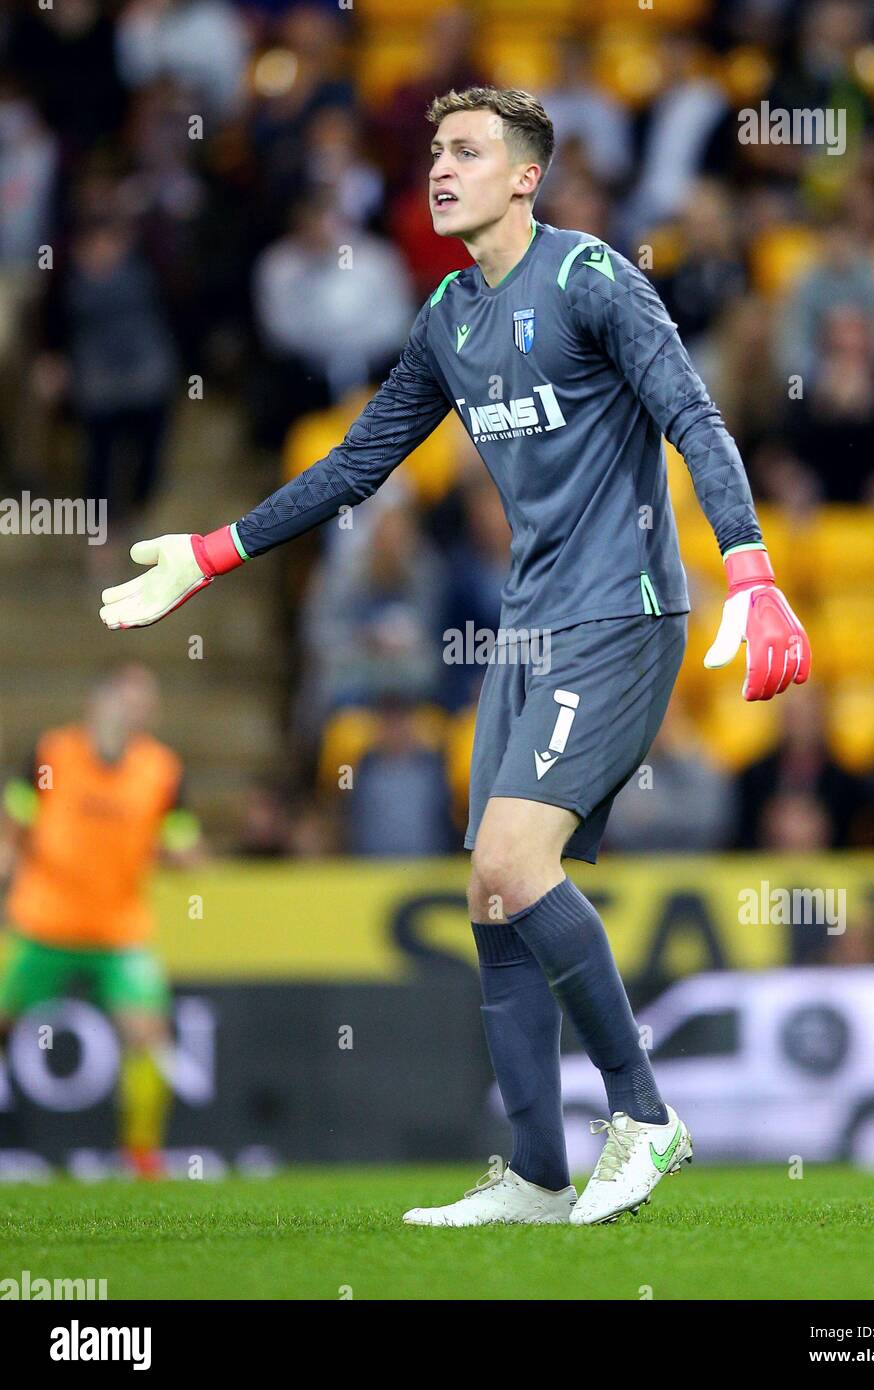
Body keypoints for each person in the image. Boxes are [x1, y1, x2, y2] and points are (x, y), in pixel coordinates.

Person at [98, 87, 811, 1225]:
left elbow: (695, 417)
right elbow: (352, 467)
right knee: (489, 891)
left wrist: (753, 569)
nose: (441, 166)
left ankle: (643, 1114)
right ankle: (535, 1170)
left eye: (468, 150)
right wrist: (212, 550)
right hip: (526, 628)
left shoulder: (589, 279)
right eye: (435, 149)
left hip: (619, 612)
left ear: (525, 175)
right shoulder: (446, 318)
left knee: (522, 866)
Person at [0, 666, 203, 1177]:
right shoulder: (52, 754)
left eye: (145, 703)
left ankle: (140, 1154)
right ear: (98, 703)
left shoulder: (162, 769)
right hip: (44, 920)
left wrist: (186, 857)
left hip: (119, 929)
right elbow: (13, 824)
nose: (136, 711)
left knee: (149, 1036)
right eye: (127, 700)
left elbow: (180, 840)